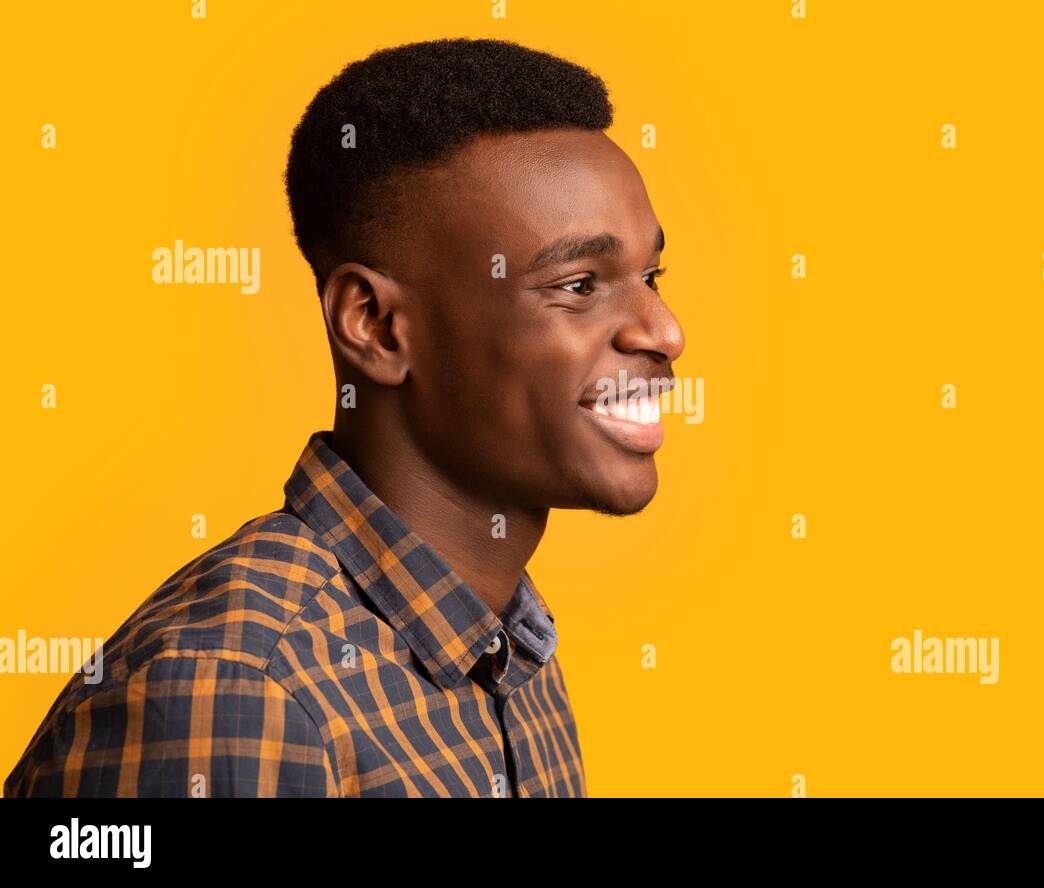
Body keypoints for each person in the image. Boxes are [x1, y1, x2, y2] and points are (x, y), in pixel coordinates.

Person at [5, 37, 684, 797]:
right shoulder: (233, 697)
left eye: (652, 274)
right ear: (376, 325)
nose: (664, 331)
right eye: (580, 284)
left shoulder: (509, 645)